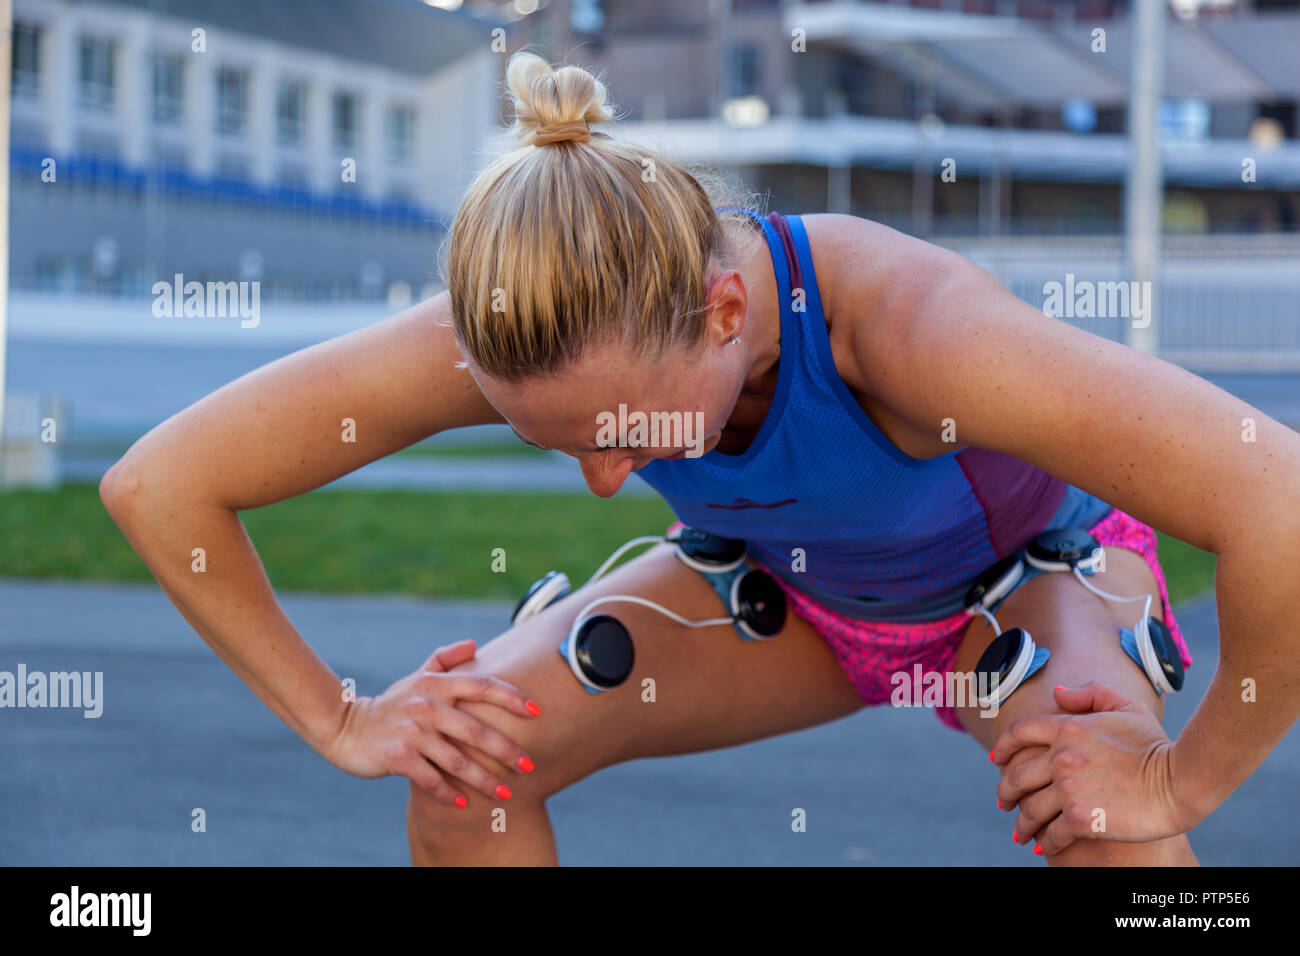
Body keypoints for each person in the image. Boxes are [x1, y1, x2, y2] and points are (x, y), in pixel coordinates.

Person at [102, 51, 1300, 866]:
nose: (603, 480)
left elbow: (1278, 494)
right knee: (470, 760)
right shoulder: (534, 325)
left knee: (1101, 817)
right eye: (557, 443)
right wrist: (343, 716)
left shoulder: (911, 330)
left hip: (1024, 584)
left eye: (623, 432)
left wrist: (1179, 783)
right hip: (784, 593)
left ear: (727, 311)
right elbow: (161, 482)